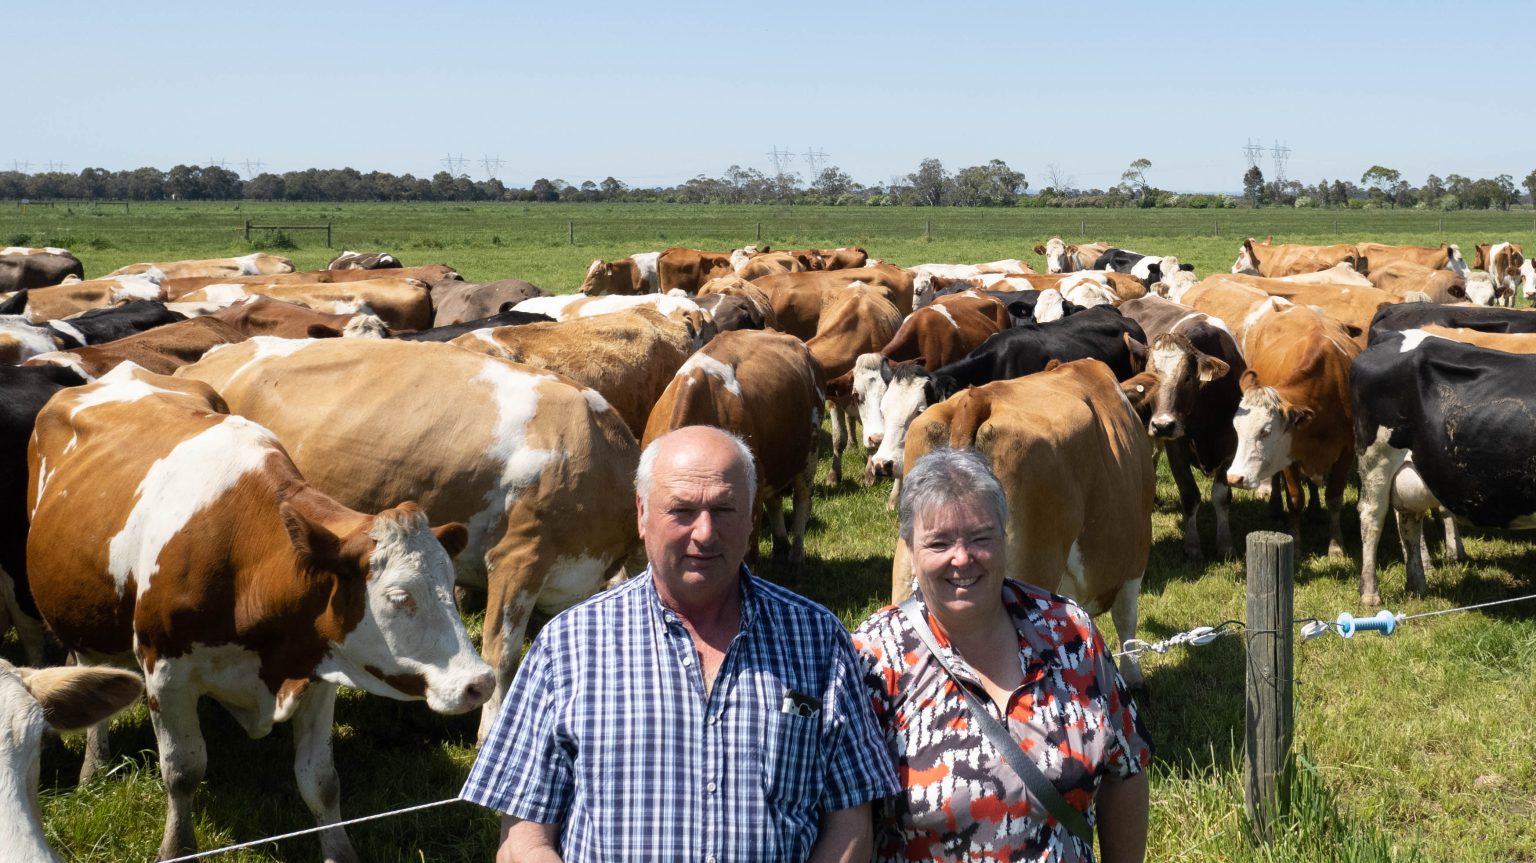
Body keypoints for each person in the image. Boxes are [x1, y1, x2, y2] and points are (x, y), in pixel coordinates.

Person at [462, 424, 898, 863]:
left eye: (725, 509)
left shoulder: (817, 640)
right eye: (682, 510)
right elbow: (523, 840)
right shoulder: (568, 646)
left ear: (751, 519)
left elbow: (850, 821)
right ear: (642, 514)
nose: (705, 533)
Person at [852, 448, 1151, 863]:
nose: (962, 558)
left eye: (980, 537)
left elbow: (1127, 766)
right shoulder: (874, 657)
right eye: (939, 542)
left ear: (1004, 535)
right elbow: (843, 816)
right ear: (909, 546)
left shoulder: (1067, 630)